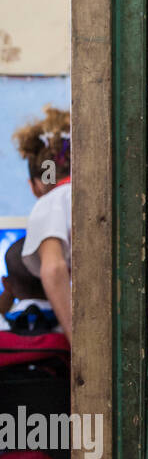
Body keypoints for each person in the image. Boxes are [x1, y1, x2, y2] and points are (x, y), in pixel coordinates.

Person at [13, 107, 71, 336]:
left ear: (33, 185)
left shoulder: (50, 202)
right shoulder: (97, 195)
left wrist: (81, 347)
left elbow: (54, 270)